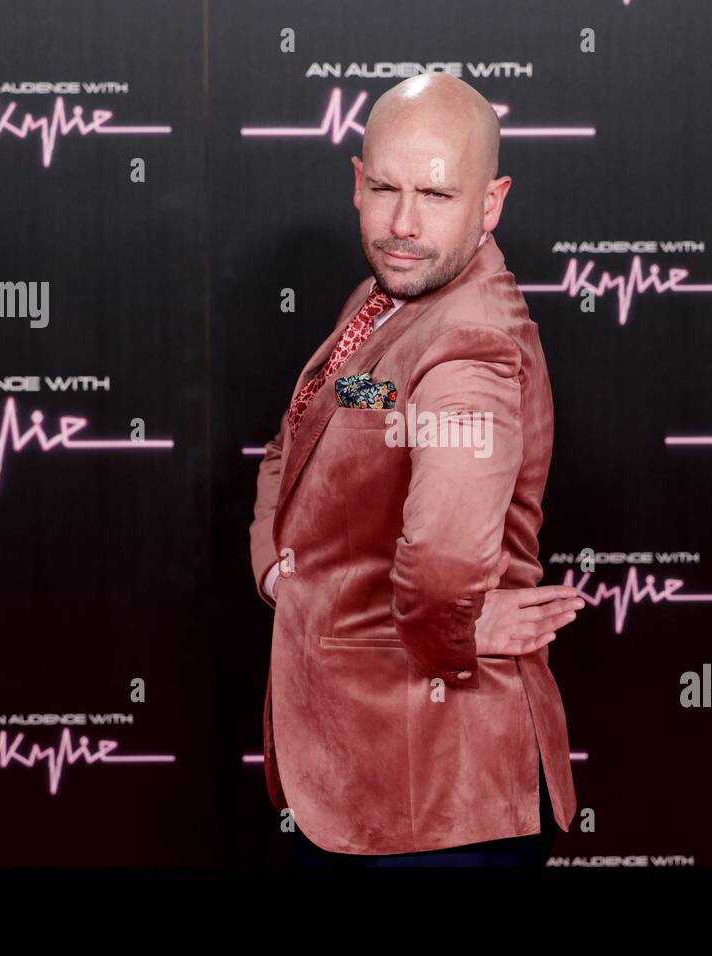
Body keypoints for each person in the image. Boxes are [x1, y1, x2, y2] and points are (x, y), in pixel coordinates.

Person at [249, 72, 583, 866]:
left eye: (436, 195)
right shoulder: (386, 296)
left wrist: (453, 631)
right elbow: (306, 431)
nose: (403, 224)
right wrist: (276, 569)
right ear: (357, 184)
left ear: (490, 203)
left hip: (435, 798)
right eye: (387, 189)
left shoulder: (471, 341)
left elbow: (440, 569)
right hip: (352, 773)